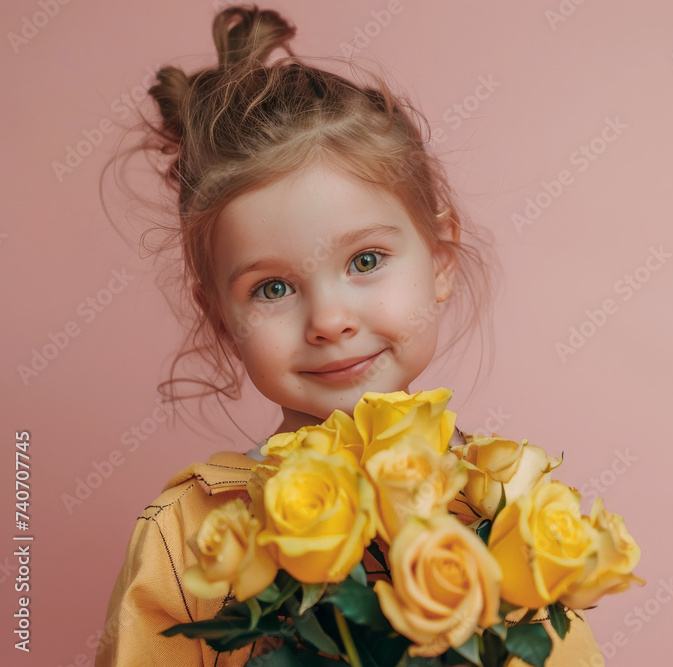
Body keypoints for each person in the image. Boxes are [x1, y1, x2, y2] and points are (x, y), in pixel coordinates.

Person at [97, 5, 606, 666]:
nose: (330, 320)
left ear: (441, 260)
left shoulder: (512, 509)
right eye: (272, 287)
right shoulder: (191, 533)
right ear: (220, 312)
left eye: (365, 261)